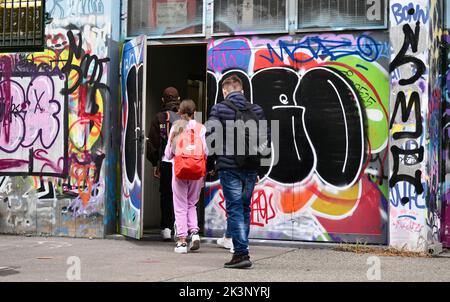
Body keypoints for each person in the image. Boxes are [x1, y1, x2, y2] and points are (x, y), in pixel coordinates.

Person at [206, 75, 270, 269]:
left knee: (234, 208)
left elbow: (211, 138)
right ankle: (240, 247)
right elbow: (267, 139)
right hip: (251, 166)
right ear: (242, 91)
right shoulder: (257, 110)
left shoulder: (219, 108)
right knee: (244, 208)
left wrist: (211, 164)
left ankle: (241, 253)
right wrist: (260, 167)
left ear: (225, 92)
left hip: (229, 167)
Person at [164, 99, 208, 254]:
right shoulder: (201, 128)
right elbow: (205, 152)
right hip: (196, 171)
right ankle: (194, 233)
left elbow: (168, 152)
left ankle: (182, 241)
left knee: (180, 205)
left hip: (180, 170)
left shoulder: (176, 127)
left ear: (180, 113)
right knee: (192, 203)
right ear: (194, 112)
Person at [147, 87, 181, 241]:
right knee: (182, 196)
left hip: (167, 162)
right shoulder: (187, 117)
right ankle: (180, 227)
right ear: (178, 99)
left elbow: (152, 144)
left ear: (162, 100)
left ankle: (166, 227)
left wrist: (155, 163)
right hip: (184, 162)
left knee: (166, 194)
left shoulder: (159, 118)